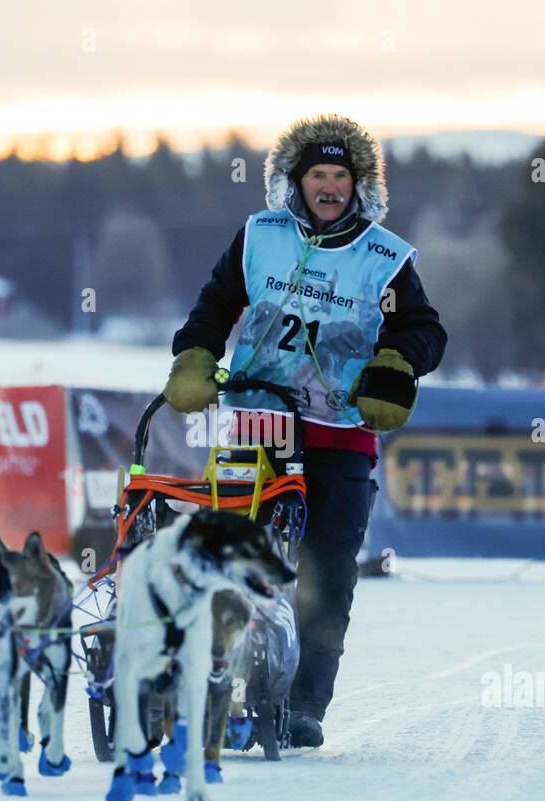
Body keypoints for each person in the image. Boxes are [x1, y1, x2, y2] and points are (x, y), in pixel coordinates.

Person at [163, 113, 447, 747]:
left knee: (326, 569)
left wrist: (395, 366)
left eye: (340, 176)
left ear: (358, 185)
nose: (328, 186)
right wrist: (194, 356)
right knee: (235, 557)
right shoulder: (258, 237)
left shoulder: (384, 257)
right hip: (256, 425)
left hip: (340, 433)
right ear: (295, 181)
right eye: (317, 173)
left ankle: (304, 703)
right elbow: (215, 305)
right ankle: (220, 684)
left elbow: (423, 331)